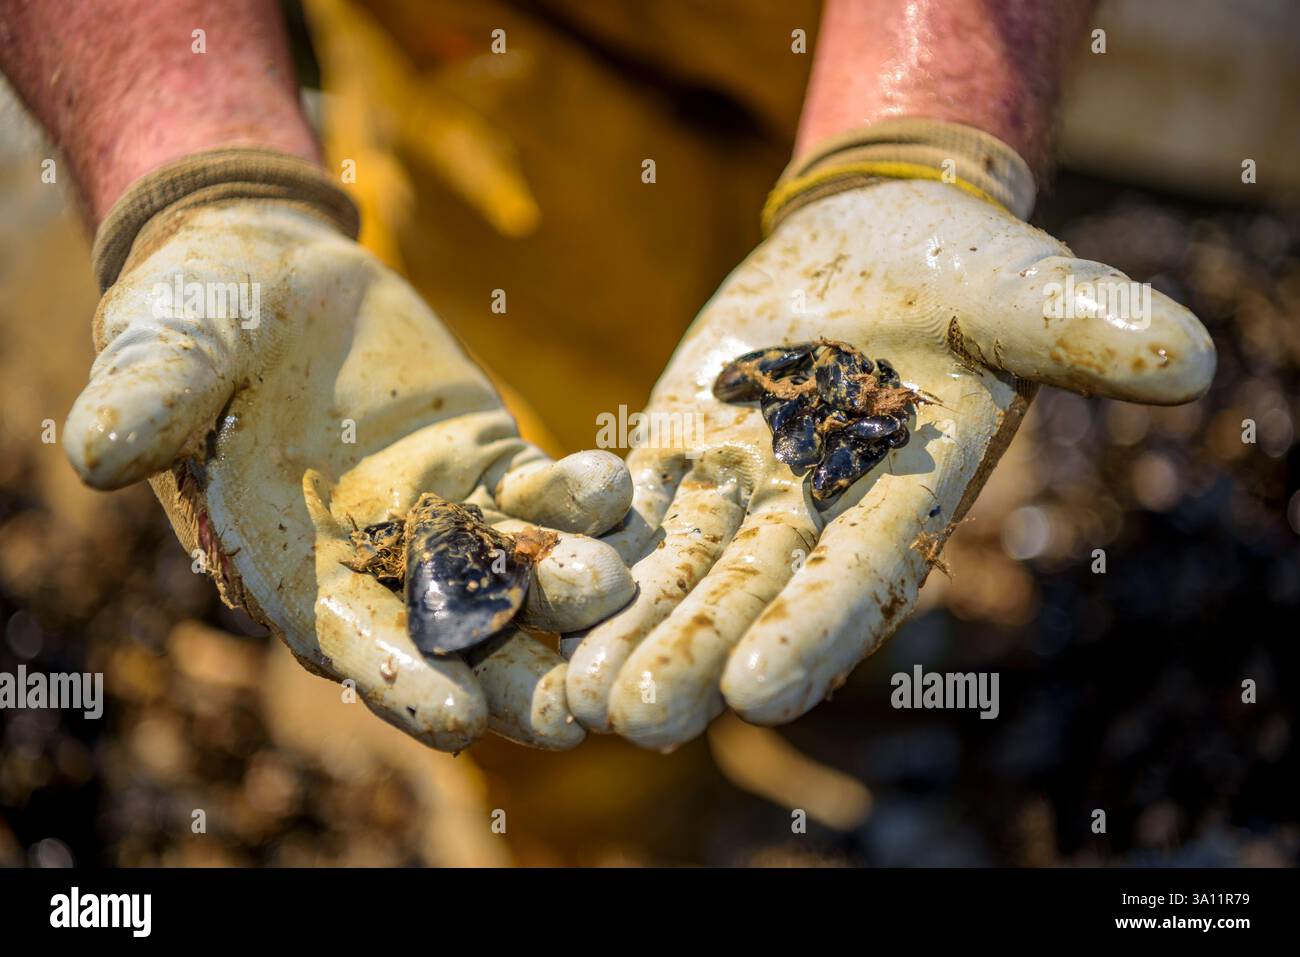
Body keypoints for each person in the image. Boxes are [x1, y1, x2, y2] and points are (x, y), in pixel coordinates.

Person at [0, 0, 1214, 753]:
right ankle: (605, 830)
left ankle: (845, 699)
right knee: (579, 525)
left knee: (831, 559)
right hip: (497, 36)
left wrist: (920, 130)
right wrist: (199, 172)